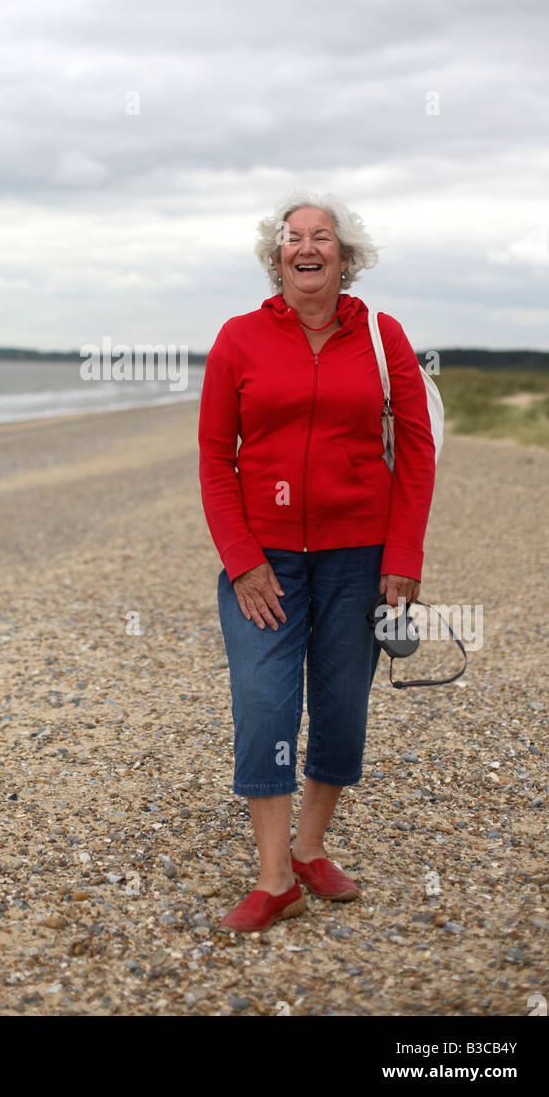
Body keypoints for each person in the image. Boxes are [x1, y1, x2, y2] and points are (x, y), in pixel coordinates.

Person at [198, 191, 436, 932]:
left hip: (358, 559)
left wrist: (403, 555)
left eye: (321, 236)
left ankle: (308, 848)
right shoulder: (238, 338)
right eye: (292, 237)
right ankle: (274, 880)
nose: (307, 247)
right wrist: (242, 560)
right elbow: (213, 457)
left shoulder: (381, 337)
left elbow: (417, 450)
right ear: (277, 259)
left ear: (344, 254)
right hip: (264, 562)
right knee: (265, 703)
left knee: (341, 708)